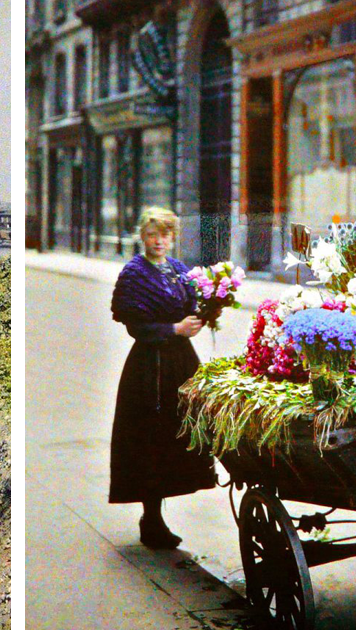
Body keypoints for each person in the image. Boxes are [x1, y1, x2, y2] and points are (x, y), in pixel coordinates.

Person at [109, 207, 217, 549]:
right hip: (150, 367)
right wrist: (174, 328)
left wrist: (203, 317)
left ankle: (159, 515)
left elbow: (194, 306)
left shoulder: (180, 270)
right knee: (151, 437)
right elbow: (134, 326)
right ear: (143, 236)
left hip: (181, 362)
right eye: (153, 234)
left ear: (173, 238)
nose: (159, 241)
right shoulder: (134, 274)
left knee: (180, 430)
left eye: (166, 234)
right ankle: (151, 518)